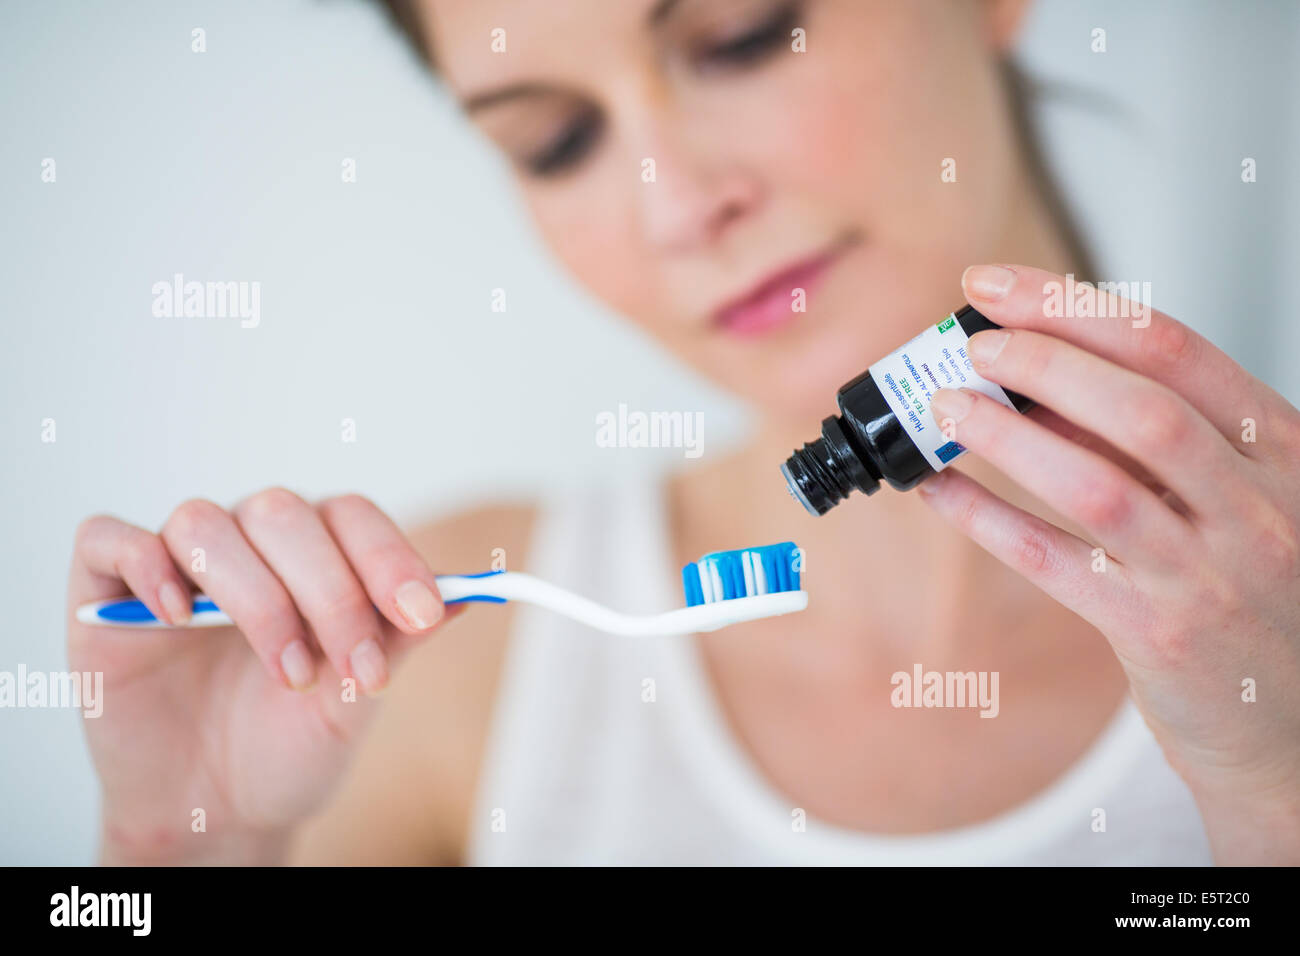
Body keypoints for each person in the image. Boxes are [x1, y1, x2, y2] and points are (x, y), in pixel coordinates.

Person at [70, 0, 1300, 865]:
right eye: (555, 142)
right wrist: (178, 849)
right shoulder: (430, 648)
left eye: (740, 35)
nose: (673, 206)